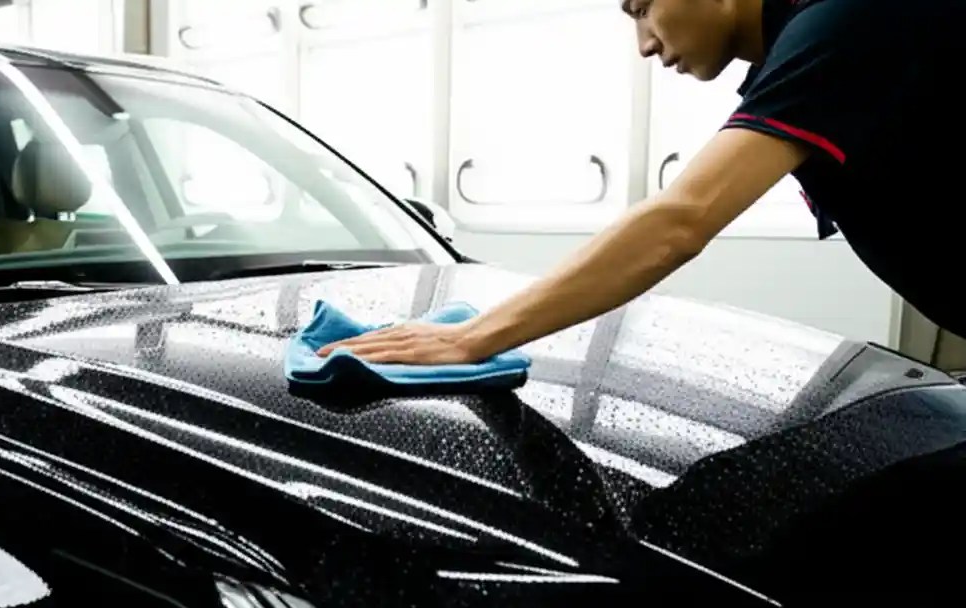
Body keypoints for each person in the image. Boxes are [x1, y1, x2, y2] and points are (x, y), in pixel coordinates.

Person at [319, 0, 966, 365]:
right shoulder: (815, 40)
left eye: (642, 7)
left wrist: (472, 338)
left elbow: (681, 221)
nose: (645, 43)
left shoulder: (844, 23)